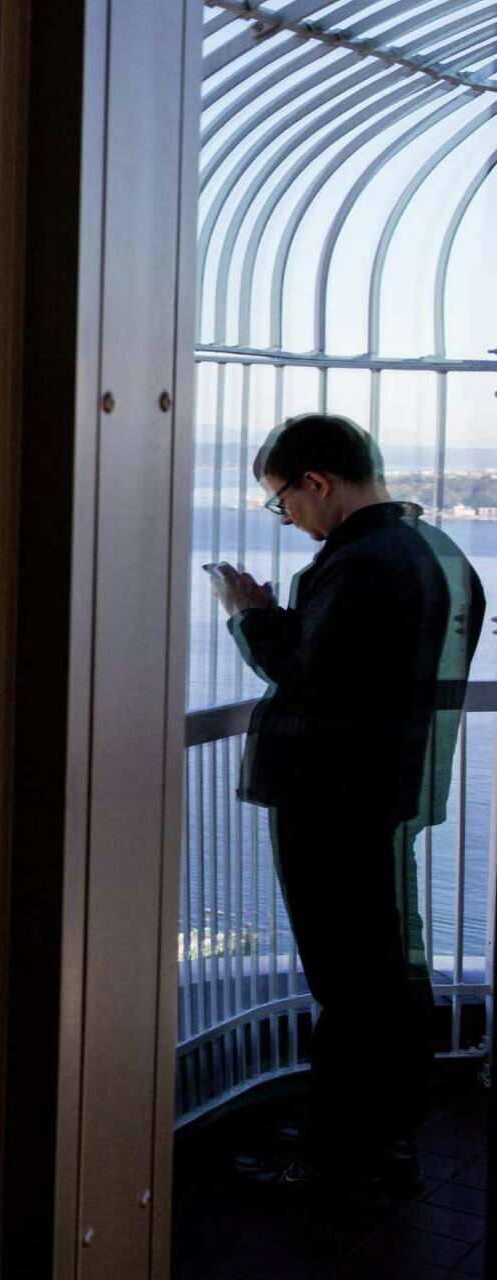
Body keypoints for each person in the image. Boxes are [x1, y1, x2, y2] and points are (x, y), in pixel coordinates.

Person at [209, 413, 483, 1194]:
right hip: (396, 788)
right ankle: (375, 1136)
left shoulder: (361, 563)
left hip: (335, 798)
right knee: (386, 971)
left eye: (282, 501)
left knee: (351, 984)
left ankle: (345, 1156)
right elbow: (374, 667)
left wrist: (249, 615)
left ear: (317, 482)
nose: (286, 517)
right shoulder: (438, 554)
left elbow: (312, 677)